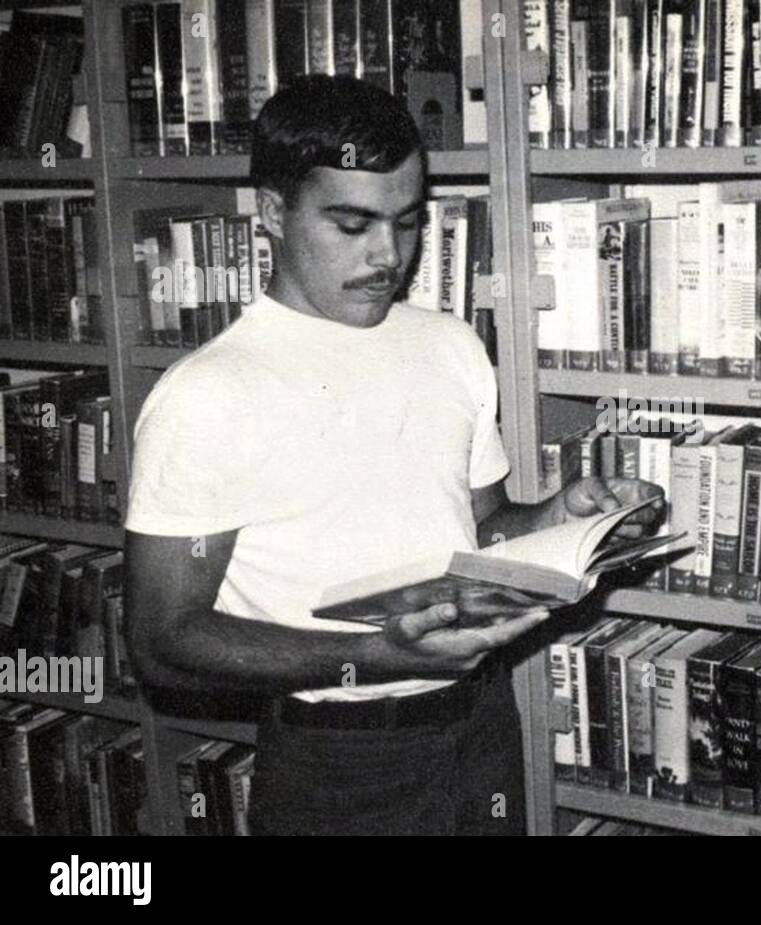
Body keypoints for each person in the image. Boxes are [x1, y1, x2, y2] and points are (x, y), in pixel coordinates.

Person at [124, 75, 661, 836]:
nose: (387, 255)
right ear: (273, 212)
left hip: (481, 723)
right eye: (351, 224)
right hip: (337, 761)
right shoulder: (207, 393)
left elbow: (479, 533)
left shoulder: (449, 343)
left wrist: (560, 517)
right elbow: (162, 642)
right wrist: (374, 656)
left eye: (406, 223)